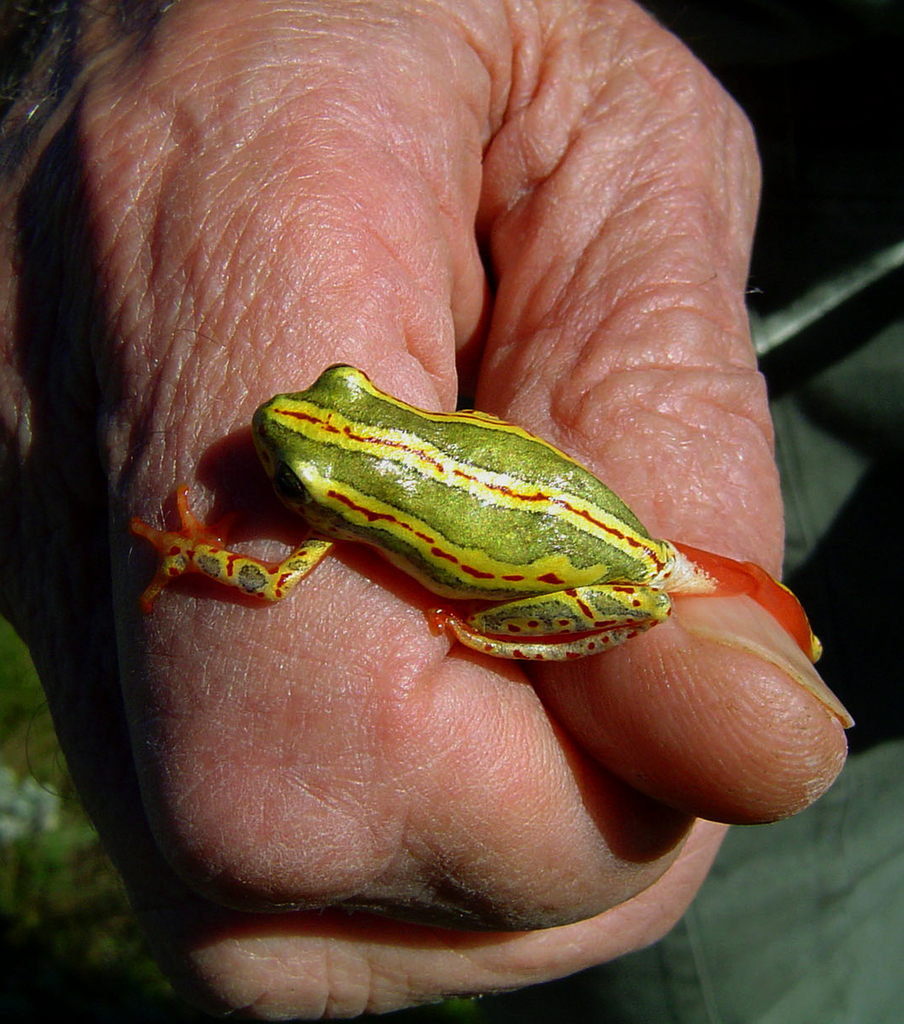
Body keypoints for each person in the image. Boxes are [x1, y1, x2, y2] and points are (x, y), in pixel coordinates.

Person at [0, 1, 850, 1016]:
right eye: (327, 403)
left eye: (304, 479)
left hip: (574, 571)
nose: (284, 421)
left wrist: (191, 556)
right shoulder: (356, 457)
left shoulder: (323, 519)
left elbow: (268, 576)